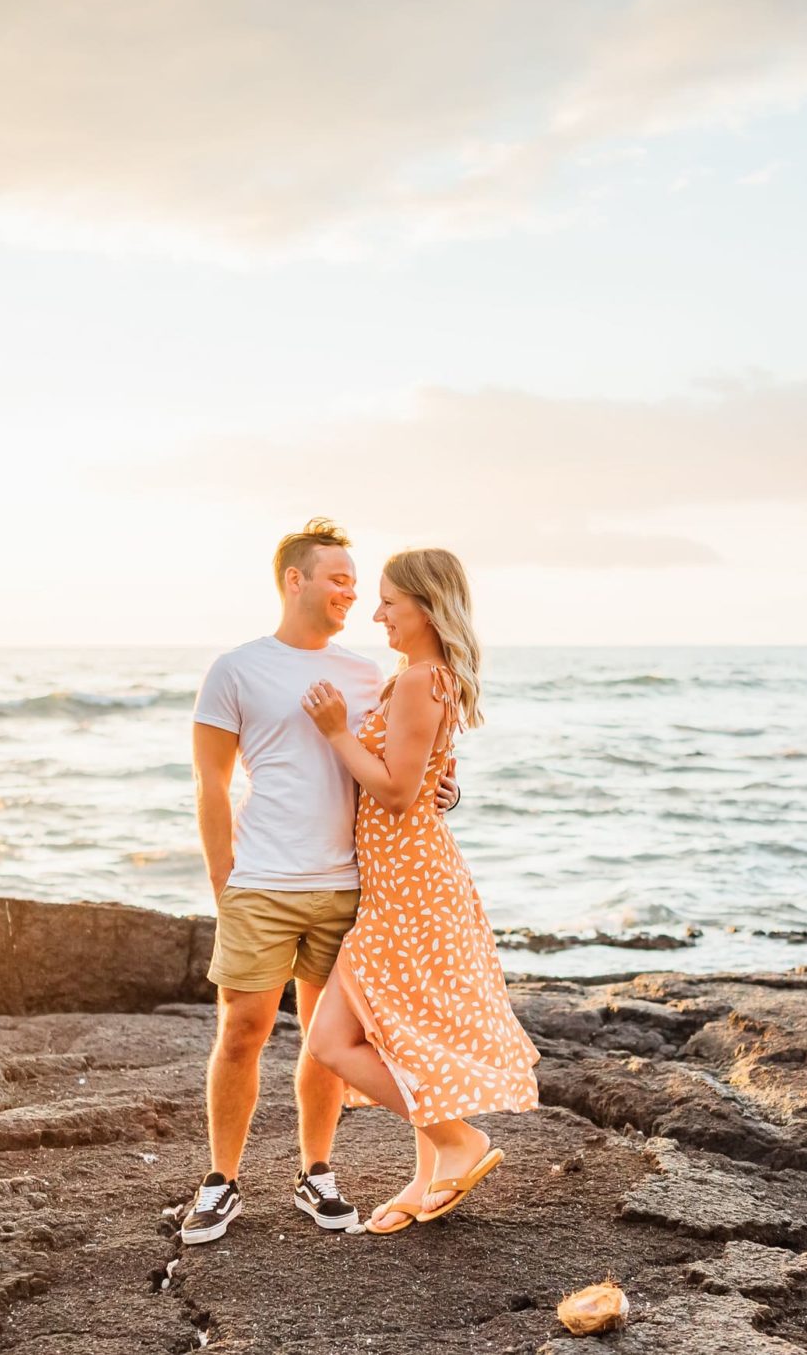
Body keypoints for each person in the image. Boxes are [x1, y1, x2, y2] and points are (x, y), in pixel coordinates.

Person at [180, 519, 459, 1245]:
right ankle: (221, 1179)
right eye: (337, 578)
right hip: (260, 883)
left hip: (347, 884)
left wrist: (442, 784)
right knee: (241, 1030)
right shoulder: (236, 668)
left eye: (356, 583)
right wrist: (223, 880)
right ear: (294, 579)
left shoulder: (371, 673)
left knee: (326, 1035)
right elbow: (211, 782)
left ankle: (317, 1169)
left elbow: (403, 762)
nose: (351, 592)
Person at [301, 547, 540, 1236]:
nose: (375, 613)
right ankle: (427, 1172)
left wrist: (335, 732)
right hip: (412, 876)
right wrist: (447, 787)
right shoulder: (428, 677)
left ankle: (458, 1140)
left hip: (406, 885)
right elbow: (431, 775)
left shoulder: (417, 680)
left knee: (331, 1041)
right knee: (405, 1035)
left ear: (427, 607)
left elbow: (398, 791)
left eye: (388, 602)